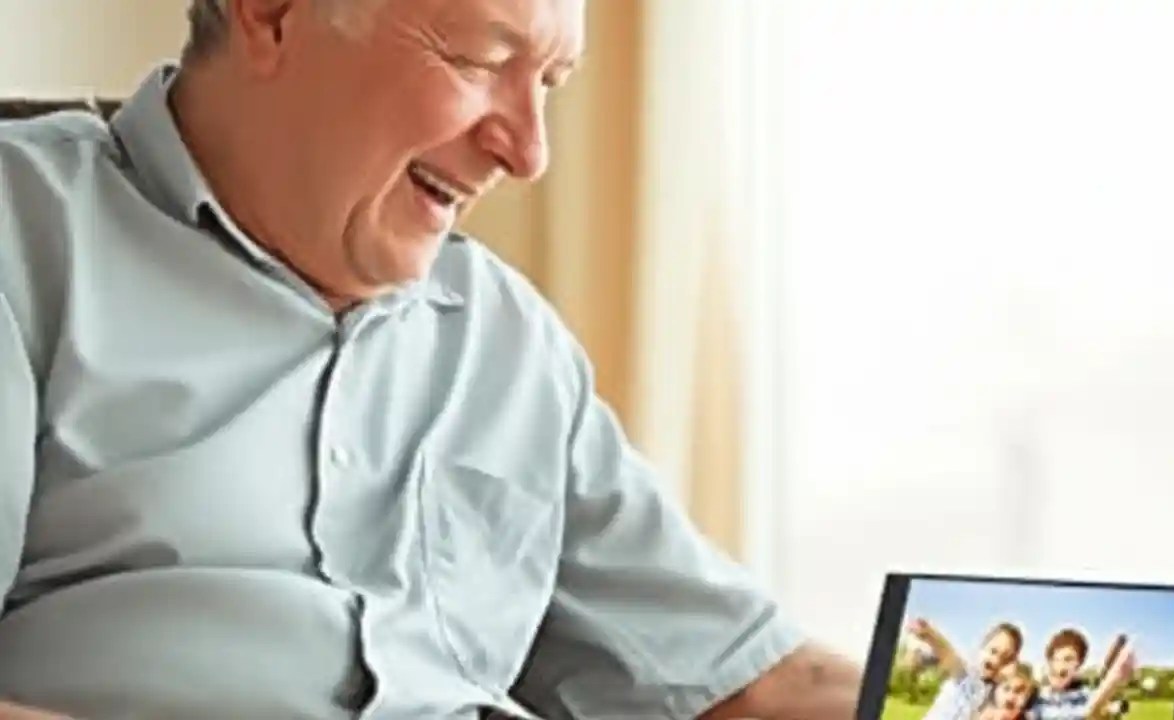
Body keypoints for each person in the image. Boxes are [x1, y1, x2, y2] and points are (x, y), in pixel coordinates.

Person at [0, 0, 863, 717]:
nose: (528, 153)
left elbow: (746, 685)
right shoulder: (25, 240)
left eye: (552, 86)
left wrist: (960, 696)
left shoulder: (506, 339)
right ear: (270, 14)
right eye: (482, 60)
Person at [908, 618, 1025, 720]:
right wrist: (930, 634)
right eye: (993, 651)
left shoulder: (997, 695)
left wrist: (1008, 678)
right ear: (982, 647)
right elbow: (949, 655)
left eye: (1005, 659)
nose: (995, 661)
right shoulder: (967, 672)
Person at [1027, 629, 1135, 720]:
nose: (1061, 666)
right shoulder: (1036, 698)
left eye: (1069, 659)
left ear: (1079, 664)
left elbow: (1105, 711)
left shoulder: (1089, 697)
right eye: (1055, 659)